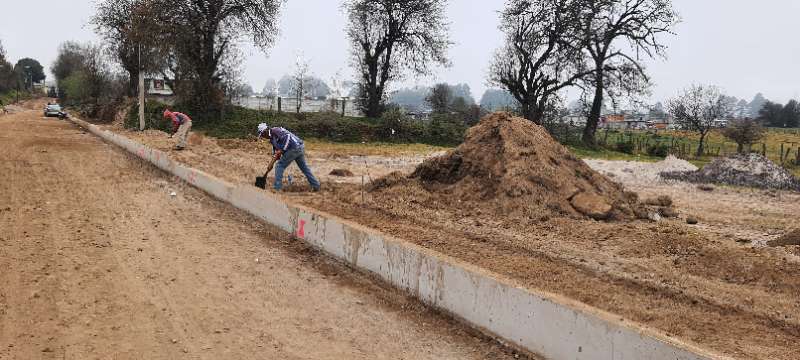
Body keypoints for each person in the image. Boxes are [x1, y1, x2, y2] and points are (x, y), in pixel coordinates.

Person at [257, 123, 320, 192]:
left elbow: (288, 137)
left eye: (262, 135)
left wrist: (282, 150)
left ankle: (277, 188)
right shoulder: (272, 139)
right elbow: (276, 153)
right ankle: (315, 185)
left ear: (265, 131)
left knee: (279, 166)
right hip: (297, 148)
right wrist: (271, 164)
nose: (263, 137)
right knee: (304, 168)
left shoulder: (275, 130)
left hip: (294, 148)